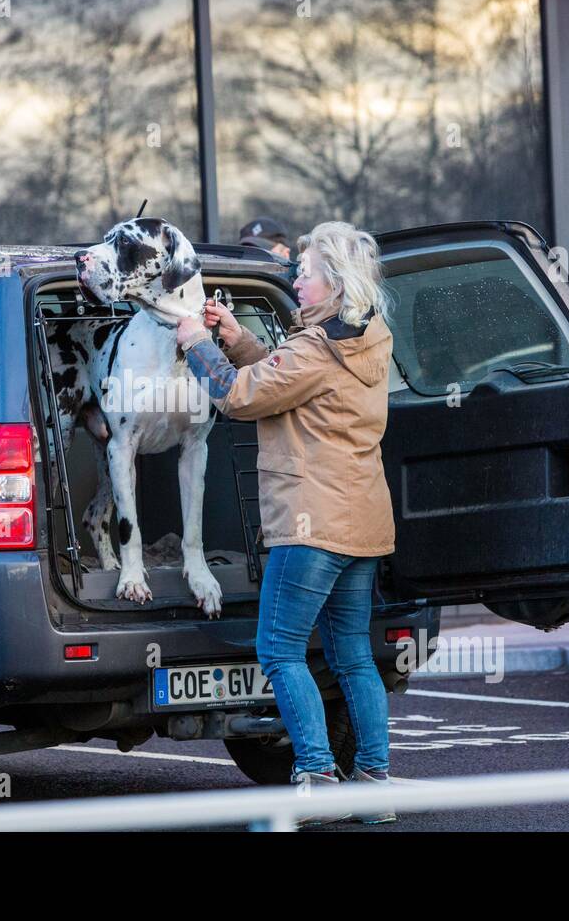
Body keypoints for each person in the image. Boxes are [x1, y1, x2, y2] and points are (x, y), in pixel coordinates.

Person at [176, 221, 396, 826]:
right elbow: (283, 382)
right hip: (361, 521)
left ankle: (316, 774)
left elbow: (239, 397)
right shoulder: (369, 338)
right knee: (353, 655)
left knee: (279, 649)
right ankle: (374, 783)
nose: (296, 281)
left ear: (335, 284)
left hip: (311, 524)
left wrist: (197, 342)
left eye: (306, 273)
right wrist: (238, 337)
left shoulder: (315, 350)